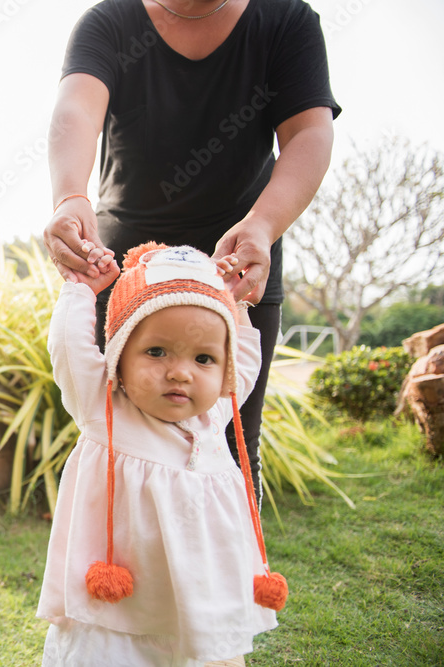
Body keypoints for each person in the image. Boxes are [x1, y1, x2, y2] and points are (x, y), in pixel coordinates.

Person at [42, 0, 341, 501]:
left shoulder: (285, 20)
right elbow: (75, 109)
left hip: (238, 265)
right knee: (116, 437)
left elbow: (309, 131)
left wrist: (262, 226)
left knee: (233, 438)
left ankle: (229, 575)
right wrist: (70, 196)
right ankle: (122, 573)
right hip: (124, 271)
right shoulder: (110, 21)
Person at [38, 242, 287, 666]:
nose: (180, 371)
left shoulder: (216, 415)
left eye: (204, 358)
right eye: (156, 352)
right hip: (117, 616)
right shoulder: (104, 408)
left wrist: (239, 308)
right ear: (118, 357)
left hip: (199, 608)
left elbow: (244, 363)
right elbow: (69, 350)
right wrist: (81, 289)